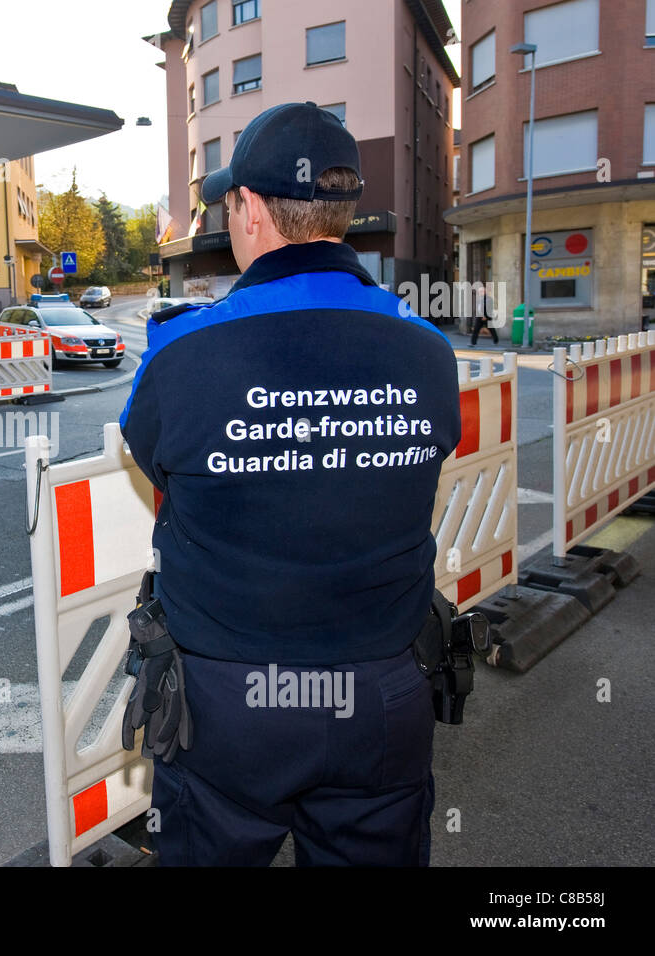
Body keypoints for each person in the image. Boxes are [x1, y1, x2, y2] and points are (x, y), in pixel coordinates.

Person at [119, 102, 462, 866]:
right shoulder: (428, 350)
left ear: (247, 211)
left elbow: (156, 461)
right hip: (382, 693)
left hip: (227, 705)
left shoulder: (182, 351)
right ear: (342, 212)